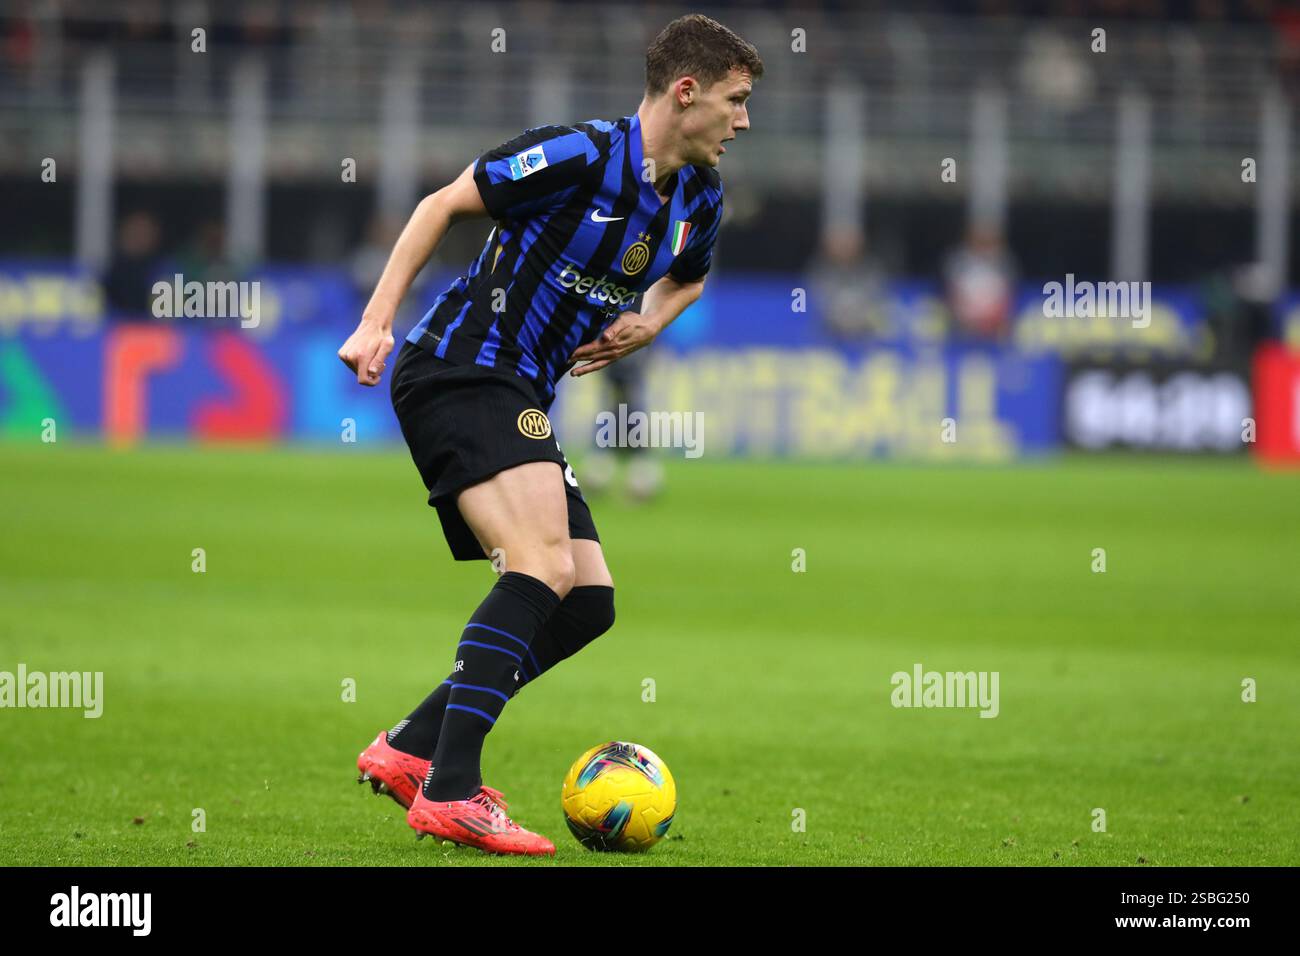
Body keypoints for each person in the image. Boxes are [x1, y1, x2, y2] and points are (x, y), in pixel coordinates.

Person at [336, 14, 762, 856]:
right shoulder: (577, 155)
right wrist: (376, 322)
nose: (744, 121)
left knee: (588, 601)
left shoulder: (699, 197)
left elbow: (691, 280)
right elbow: (441, 204)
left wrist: (648, 324)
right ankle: (451, 790)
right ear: (687, 93)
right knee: (541, 567)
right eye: (735, 100)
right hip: (461, 366)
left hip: (519, 389)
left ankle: (411, 746)